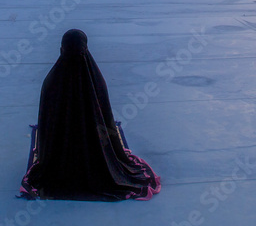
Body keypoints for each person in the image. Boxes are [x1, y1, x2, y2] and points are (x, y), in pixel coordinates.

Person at [19, 29, 161, 201]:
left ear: (62, 48)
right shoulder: (96, 82)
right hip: (97, 155)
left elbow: (46, 125)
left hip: (57, 161)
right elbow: (105, 119)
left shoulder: (52, 83)